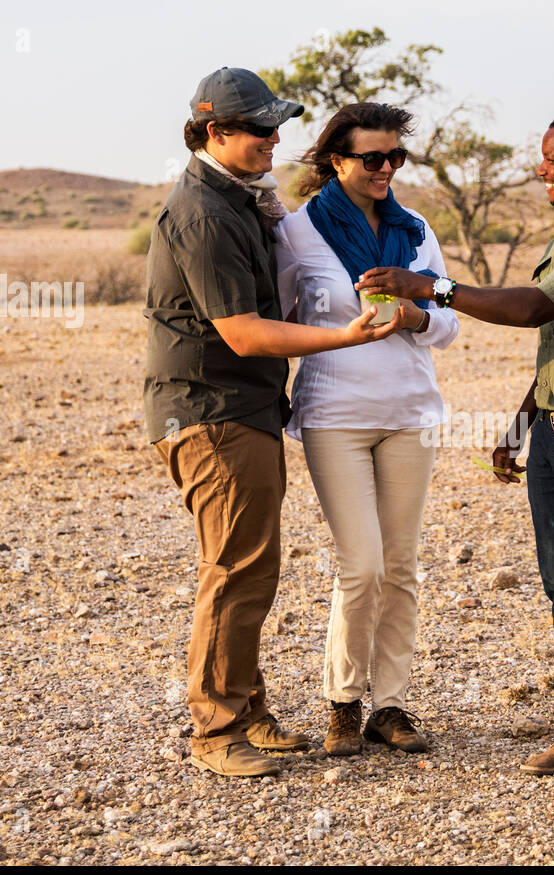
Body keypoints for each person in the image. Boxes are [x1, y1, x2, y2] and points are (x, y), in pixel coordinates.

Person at [358, 105, 554, 775]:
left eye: (552, 159)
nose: (541, 168)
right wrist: (521, 425)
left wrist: (432, 287)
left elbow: (534, 308)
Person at [143, 67, 402, 778]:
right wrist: (343, 338)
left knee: (253, 562)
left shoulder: (238, 201)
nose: (273, 139)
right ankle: (217, 729)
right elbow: (245, 334)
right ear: (215, 131)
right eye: (259, 129)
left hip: (243, 409)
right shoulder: (202, 214)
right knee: (234, 566)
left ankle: (248, 712)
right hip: (211, 409)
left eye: (275, 127)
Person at [274, 103, 459, 757]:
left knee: (402, 565)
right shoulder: (297, 235)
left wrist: (415, 315)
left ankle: (392, 705)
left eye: (395, 158)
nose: (386, 169)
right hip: (335, 416)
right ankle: (343, 704)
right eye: (372, 158)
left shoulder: (415, 232)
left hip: (411, 414)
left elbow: (449, 322)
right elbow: (276, 320)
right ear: (336, 160)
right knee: (363, 564)